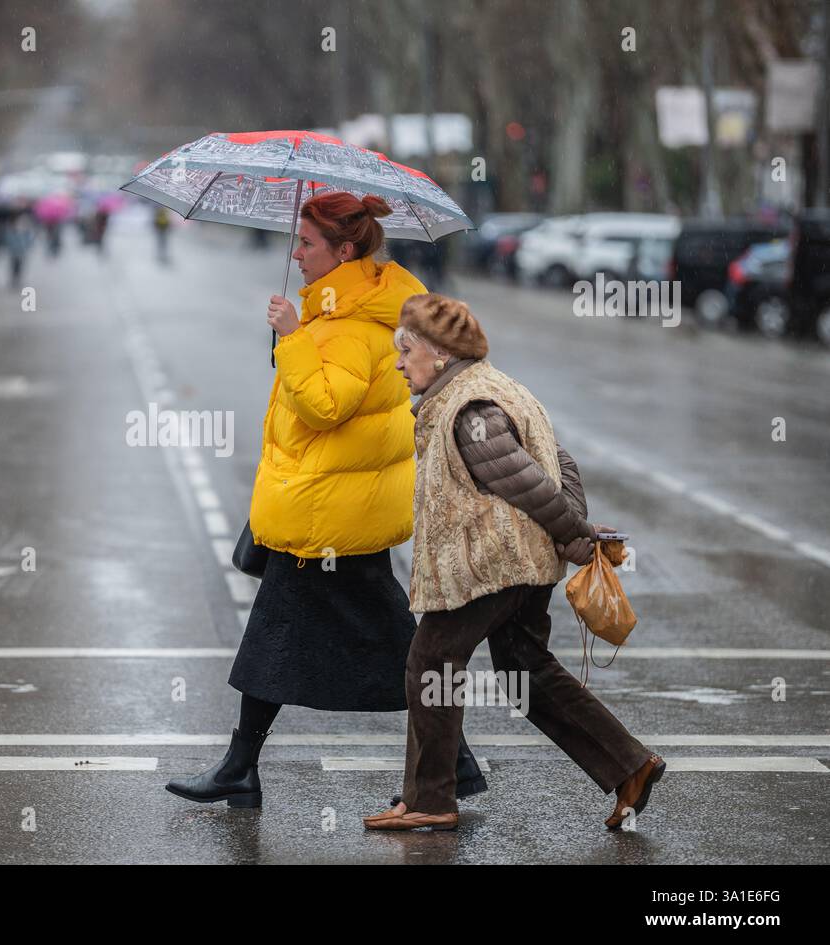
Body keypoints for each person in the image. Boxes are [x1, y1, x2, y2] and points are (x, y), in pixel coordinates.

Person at [165, 193, 488, 809]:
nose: (296, 253)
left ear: (345, 251)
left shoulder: (348, 325)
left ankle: (241, 767)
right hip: (337, 506)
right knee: (385, 642)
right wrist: (294, 336)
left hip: (328, 515)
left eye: (307, 244)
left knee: (282, 638)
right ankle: (456, 764)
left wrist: (291, 338)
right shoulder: (351, 311)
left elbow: (324, 405)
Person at [362, 294, 665, 832]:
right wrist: (574, 531)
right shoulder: (496, 388)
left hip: (490, 565)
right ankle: (629, 765)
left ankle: (430, 798)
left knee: (430, 663)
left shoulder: (468, 407)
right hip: (522, 565)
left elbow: (528, 479)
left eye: (406, 351)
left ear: (439, 352)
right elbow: (559, 458)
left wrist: (577, 538)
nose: (399, 363)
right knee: (526, 667)